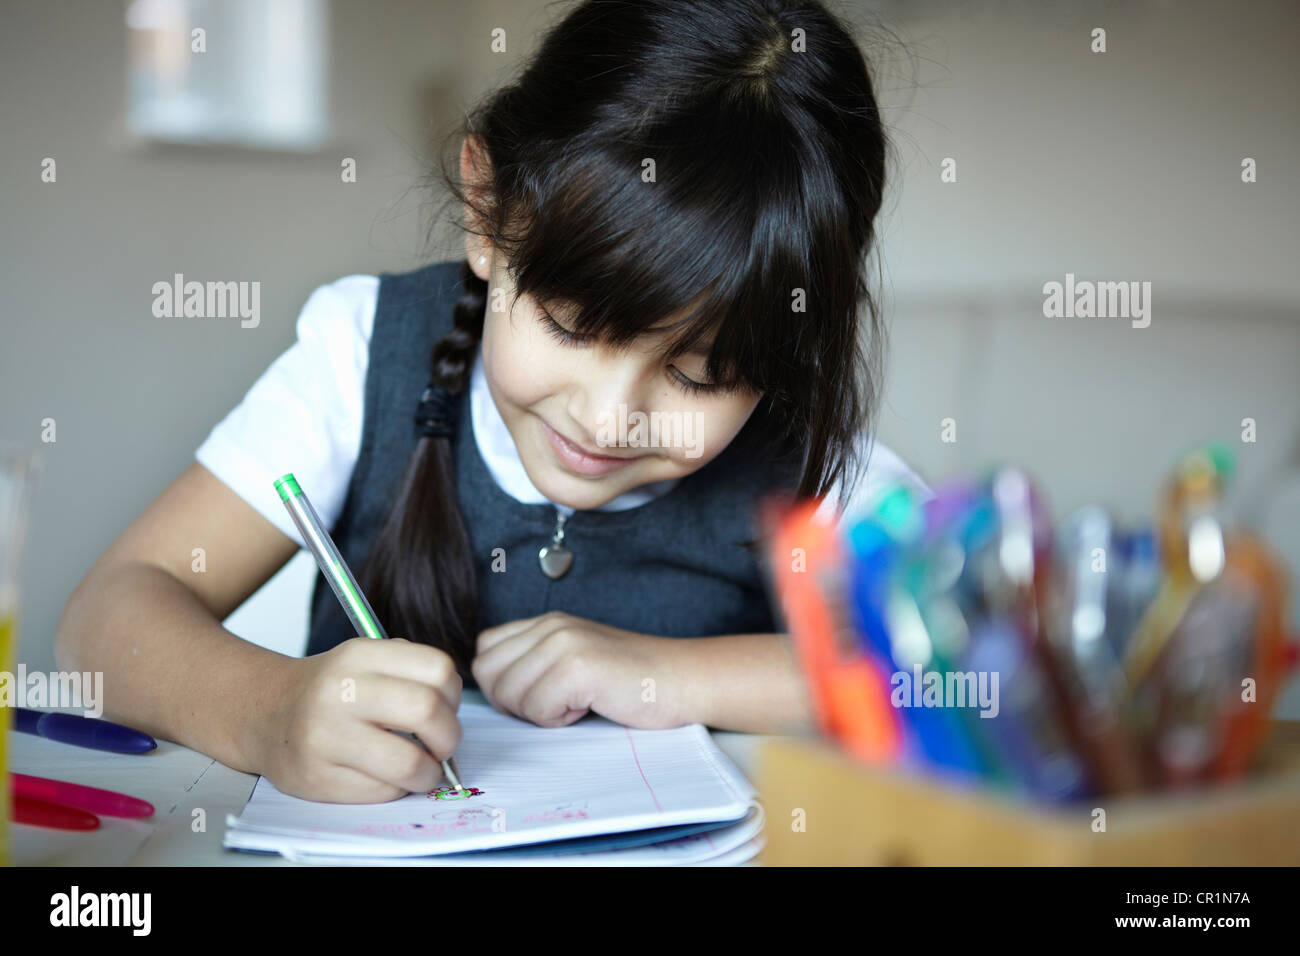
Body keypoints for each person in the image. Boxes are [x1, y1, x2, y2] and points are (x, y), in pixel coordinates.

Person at [56, 0, 930, 804]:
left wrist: (670, 674)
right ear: (487, 209)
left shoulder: (803, 451)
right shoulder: (364, 351)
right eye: (569, 324)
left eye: (701, 375)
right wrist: (269, 710)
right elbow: (107, 617)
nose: (608, 419)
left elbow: (950, 680)